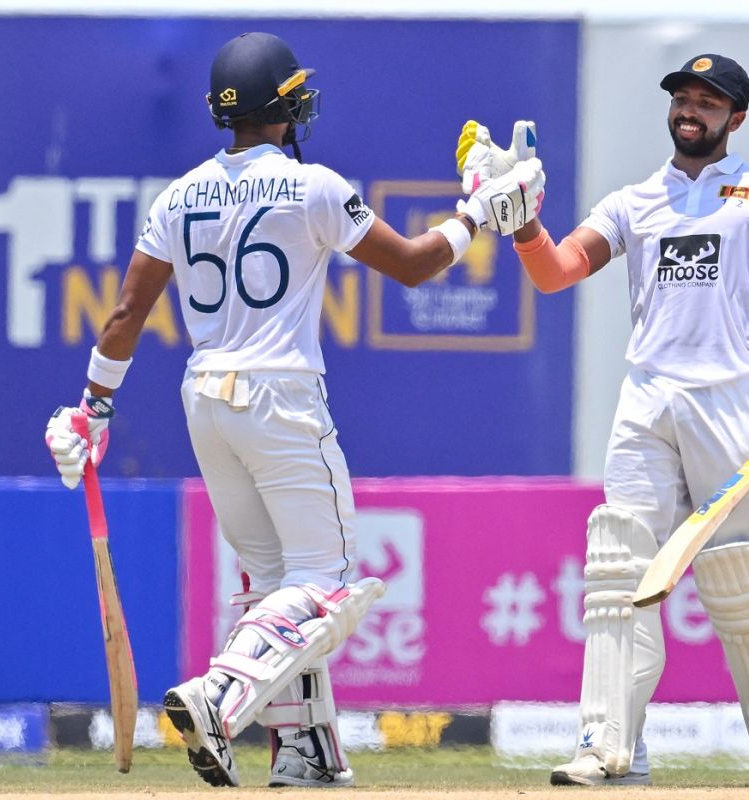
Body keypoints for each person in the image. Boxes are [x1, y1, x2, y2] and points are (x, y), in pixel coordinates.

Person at [44, 32, 543, 789]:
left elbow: (124, 316)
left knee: (274, 582)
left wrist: (92, 410)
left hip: (205, 399)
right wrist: (477, 214)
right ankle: (218, 694)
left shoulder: (177, 196)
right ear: (282, 104)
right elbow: (412, 265)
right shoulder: (312, 186)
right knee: (330, 579)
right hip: (280, 394)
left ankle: (305, 751)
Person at [460, 54, 749, 786]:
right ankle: (608, 745)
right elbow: (557, 271)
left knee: (742, 578)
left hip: (731, 401)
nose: (692, 109)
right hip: (647, 399)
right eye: (684, 98)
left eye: (709, 101)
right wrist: (524, 225)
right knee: (619, 568)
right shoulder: (634, 201)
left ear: (736, 117)